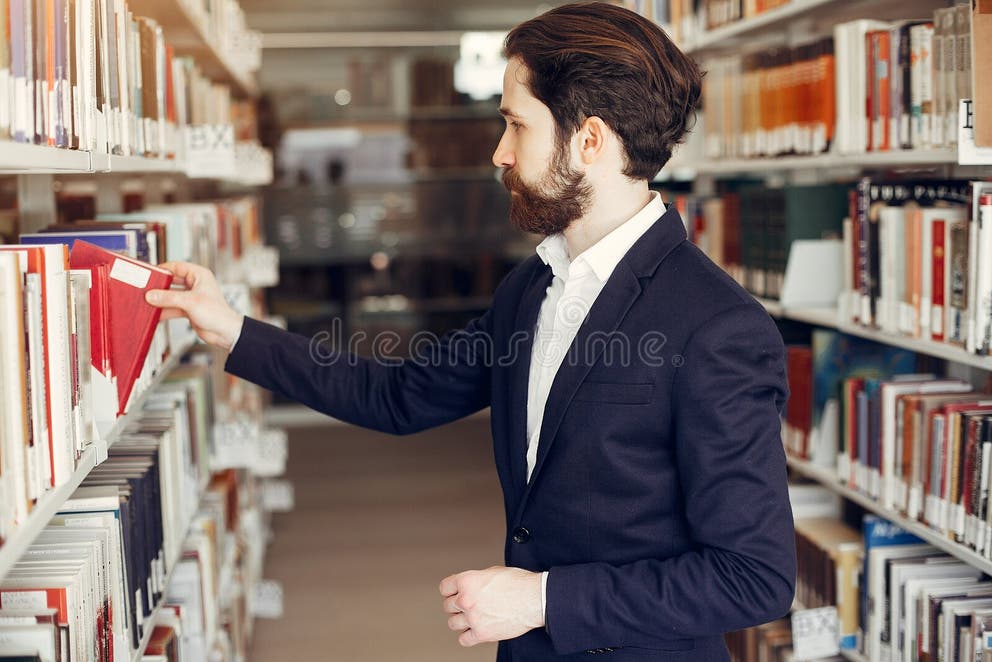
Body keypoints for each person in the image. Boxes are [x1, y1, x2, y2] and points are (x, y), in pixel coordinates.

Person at [146, 3, 796, 660]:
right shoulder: (533, 286)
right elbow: (399, 395)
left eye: (517, 125)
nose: (500, 152)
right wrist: (231, 328)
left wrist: (541, 599)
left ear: (590, 140)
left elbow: (754, 578)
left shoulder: (718, 328)